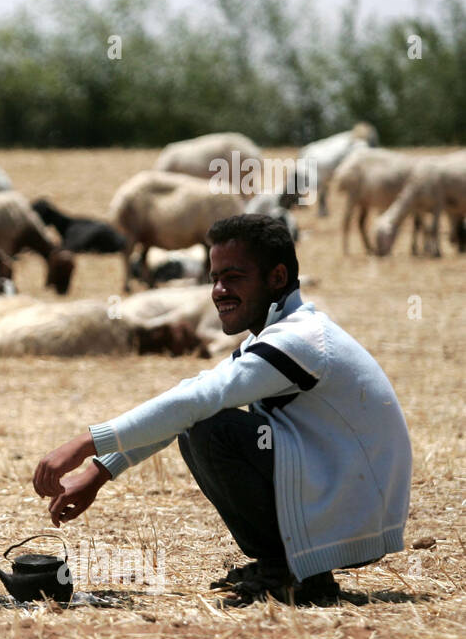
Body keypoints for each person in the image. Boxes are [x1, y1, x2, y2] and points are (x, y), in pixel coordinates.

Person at [33, 214, 412, 604]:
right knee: (198, 422)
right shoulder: (280, 332)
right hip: (343, 493)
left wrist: (84, 444)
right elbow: (193, 396)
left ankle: (290, 574)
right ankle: (285, 564)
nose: (218, 290)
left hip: (354, 506)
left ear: (277, 278)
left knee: (211, 431)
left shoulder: (300, 339)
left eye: (233, 277)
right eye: (214, 277)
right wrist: (99, 472)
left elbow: (197, 402)